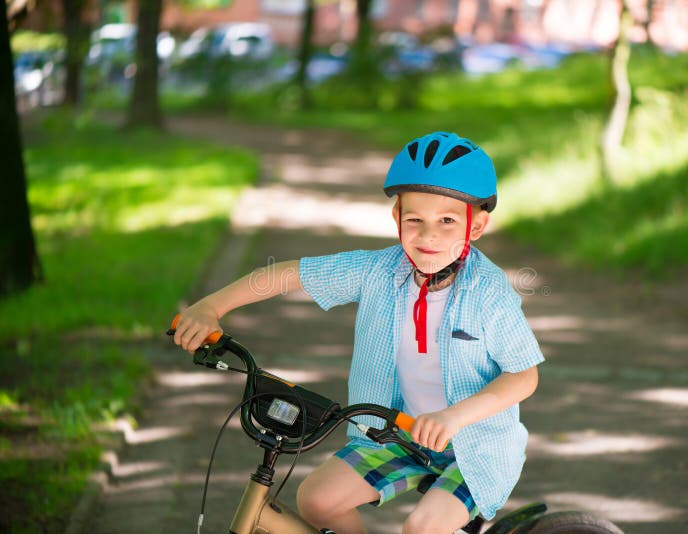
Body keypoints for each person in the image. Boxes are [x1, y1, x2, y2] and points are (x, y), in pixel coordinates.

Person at [172, 131, 545, 534]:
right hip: (397, 433)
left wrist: (454, 417)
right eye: (414, 219)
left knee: (422, 528)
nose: (428, 235)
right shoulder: (378, 272)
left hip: (474, 448)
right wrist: (211, 307)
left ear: (476, 227)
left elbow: (524, 375)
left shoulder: (489, 293)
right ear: (396, 218)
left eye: (448, 221)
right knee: (317, 499)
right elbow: (288, 274)